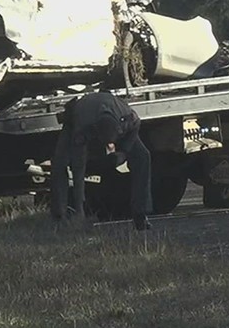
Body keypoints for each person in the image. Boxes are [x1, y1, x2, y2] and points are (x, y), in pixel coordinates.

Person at [50, 91, 153, 230]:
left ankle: (141, 214)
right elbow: (78, 168)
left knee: (142, 156)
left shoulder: (128, 118)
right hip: (80, 114)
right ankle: (60, 216)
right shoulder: (83, 125)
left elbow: (136, 126)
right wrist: (80, 209)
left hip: (111, 113)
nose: (109, 146)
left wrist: (124, 152)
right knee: (60, 162)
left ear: (119, 130)